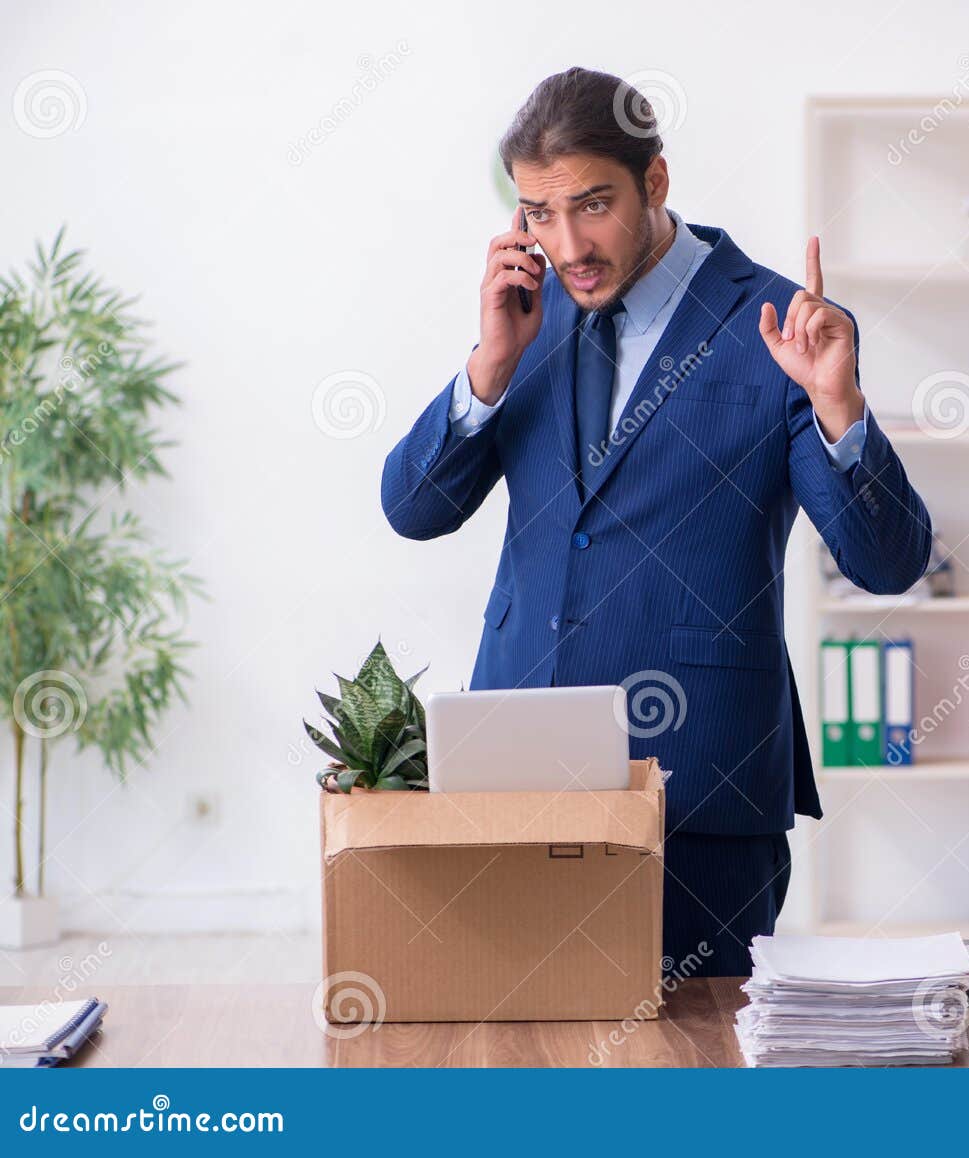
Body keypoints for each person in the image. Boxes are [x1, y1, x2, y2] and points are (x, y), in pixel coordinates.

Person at [381, 66, 932, 976]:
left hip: (703, 786)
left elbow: (887, 562)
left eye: (592, 205)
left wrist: (838, 405)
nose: (568, 243)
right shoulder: (525, 315)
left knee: (698, 1070)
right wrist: (488, 365)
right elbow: (413, 510)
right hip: (516, 767)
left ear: (656, 182)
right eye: (539, 214)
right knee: (523, 1059)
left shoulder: (779, 326)